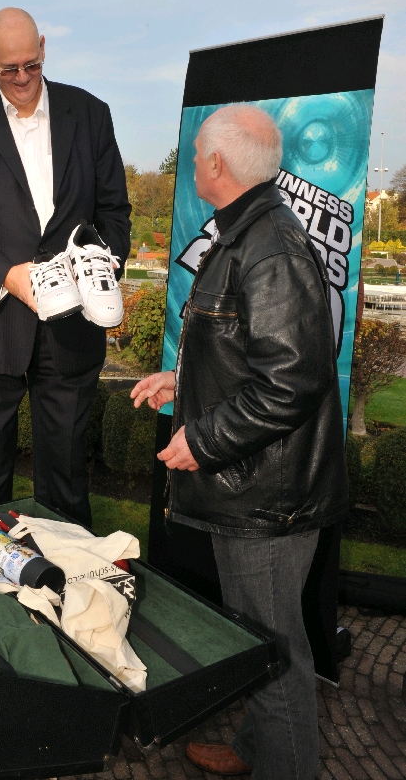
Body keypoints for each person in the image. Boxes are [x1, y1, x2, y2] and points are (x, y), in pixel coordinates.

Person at [131, 104, 348, 780]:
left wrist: (204, 438)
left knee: (273, 651)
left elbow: (292, 382)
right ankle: (256, 751)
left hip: (266, 497)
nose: (191, 163)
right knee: (258, 636)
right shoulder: (246, 233)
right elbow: (250, 352)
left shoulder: (270, 247)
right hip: (254, 486)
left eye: (196, 153)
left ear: (217, 165)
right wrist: (183, 380)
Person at [0, 8, 130, 526]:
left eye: (31, 65)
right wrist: (4, 276)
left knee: (67, 480)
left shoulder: (90, 113)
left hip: (72, 327)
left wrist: (97, 268)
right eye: (8, 68)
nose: (22, 79)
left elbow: (114, 213)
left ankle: (69, 592)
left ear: (44, 49)